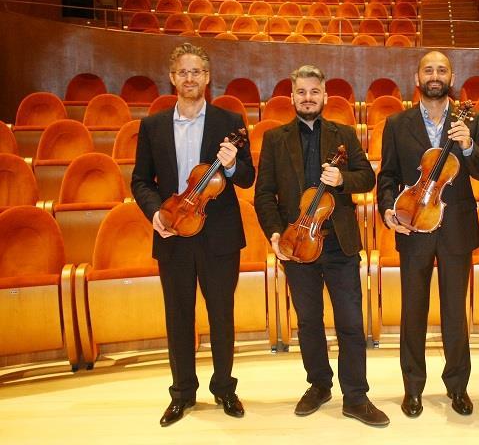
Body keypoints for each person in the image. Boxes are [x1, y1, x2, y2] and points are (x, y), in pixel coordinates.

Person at [254, 64, 389, 427]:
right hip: (297, 245)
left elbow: (368, 178)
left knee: (350, 322)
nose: (308, 98)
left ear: (325, 96)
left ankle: (356, 396)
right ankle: (319, 384)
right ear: (292, 96)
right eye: (302, 92)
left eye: (315, 92)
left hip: (339, 246)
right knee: (309, 321)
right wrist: (276, 233)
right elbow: (264, 194)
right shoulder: (275, 139)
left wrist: (342, 179)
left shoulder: (343, 133)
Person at [132, 43, 255, 426]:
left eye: (197, 72)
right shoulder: (152, 125)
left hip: (218, 235)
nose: (190, 78)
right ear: (172, 78)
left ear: (207, 77)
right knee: (179, 315)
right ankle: (183, 393)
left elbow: (248, 178)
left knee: (222, 314)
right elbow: (140, 180)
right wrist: (155, 213)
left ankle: (224, 388)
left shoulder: (230, 121)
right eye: (183, 72)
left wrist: (232, 167)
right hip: (172, 231)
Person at [377, 50, 479, 418]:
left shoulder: (470, 121)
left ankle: (457, 387)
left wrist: (468, 146)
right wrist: (389, 209)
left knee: (455, 312)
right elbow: (388, 178)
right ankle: (413, 388)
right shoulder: (397, 123)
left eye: (442, 70)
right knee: (413, 310)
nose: (435, 75)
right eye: (428, 69)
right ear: (417, 76)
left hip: (456, 228)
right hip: (414, 227)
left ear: (451, 77)